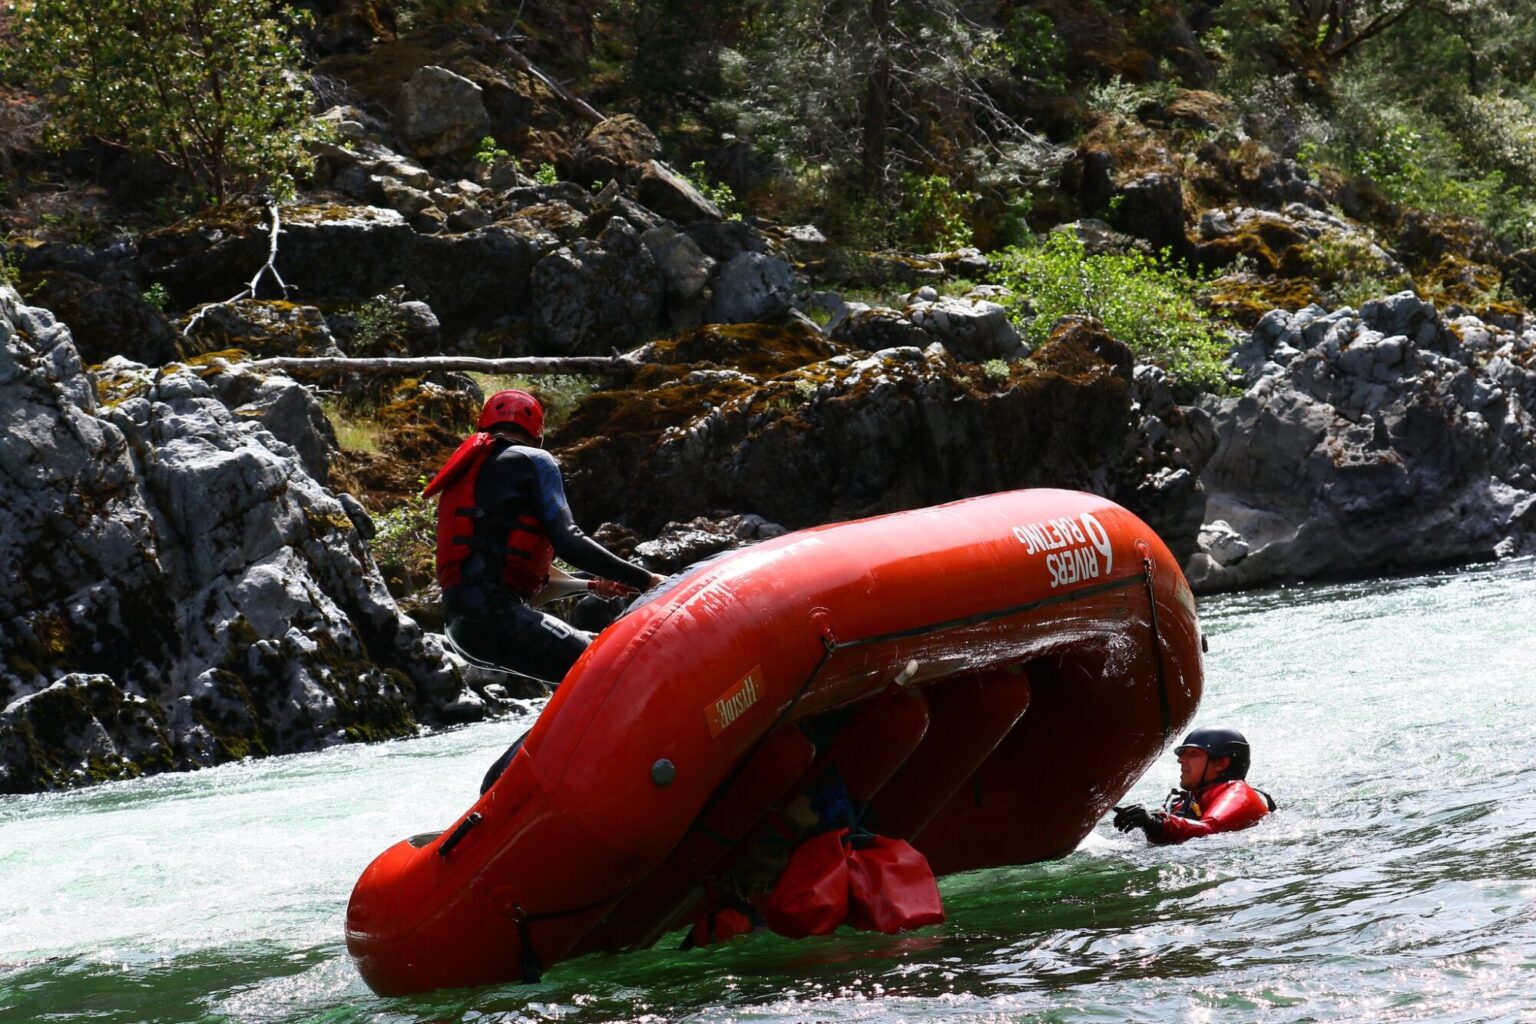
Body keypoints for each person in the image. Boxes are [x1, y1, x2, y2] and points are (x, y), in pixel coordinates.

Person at [422, 388, 662, 685]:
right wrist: (646, 580)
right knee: (604, 667)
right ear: (538, 438)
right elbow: (568, 540)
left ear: (483, 429)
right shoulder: (534, 459)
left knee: (575, 678)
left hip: (460, 630)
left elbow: (494, 570)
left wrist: (591, 583)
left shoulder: (467, 473)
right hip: (499, 614)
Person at [1112, 726, 1274, 845]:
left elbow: (1209, 830)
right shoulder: (1191, 799)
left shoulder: (1238, 792)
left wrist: (1151, 822)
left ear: (1221, 763)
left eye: (1193, 754)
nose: (1181, 760)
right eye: (1183, 754)